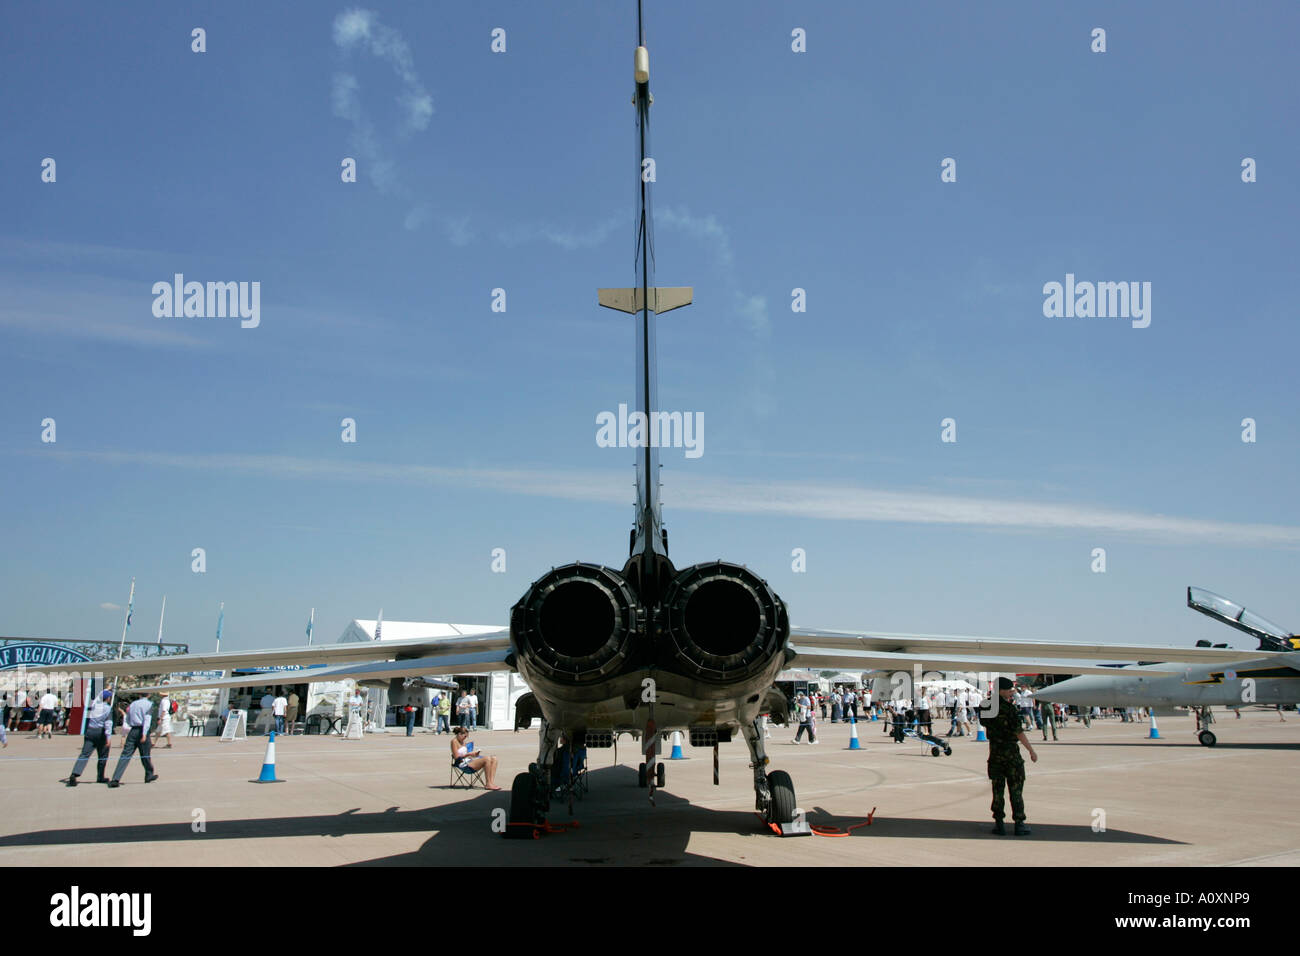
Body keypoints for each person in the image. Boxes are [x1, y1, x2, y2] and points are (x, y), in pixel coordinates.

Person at [985, 677, 1037, 835]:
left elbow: (985, 723)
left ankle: (999, 823)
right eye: (1009, 690)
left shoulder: (986, 706)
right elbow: (1018, 732)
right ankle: (1019, 824)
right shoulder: (1009, 709)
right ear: (1001, 691)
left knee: (997, 790)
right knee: (1016, 789)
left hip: (995, 753)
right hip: (1011, 754)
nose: (1012, 692)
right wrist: (1031, 750)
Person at [108, 692, 159, 787]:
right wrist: (144, 734)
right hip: (142, 729)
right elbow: (147, 720)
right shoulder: (149, 704)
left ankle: (116, 778)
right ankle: (149, 774)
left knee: (125, 755)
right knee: (145, 755)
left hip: (133, 730)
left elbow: (128, 718)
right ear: (148, 695)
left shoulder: (133, 704)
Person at [67, 690, 115, 786]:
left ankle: (75, 773)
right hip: (101, 732)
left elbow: (98, 697)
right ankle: (100, 776)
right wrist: (108, 737)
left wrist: (106, 690)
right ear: (108, 698)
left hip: (90, 731)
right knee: (103, 756)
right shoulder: (108, 708)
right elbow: (108, 723)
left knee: (84, 754)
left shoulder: (94, 705)